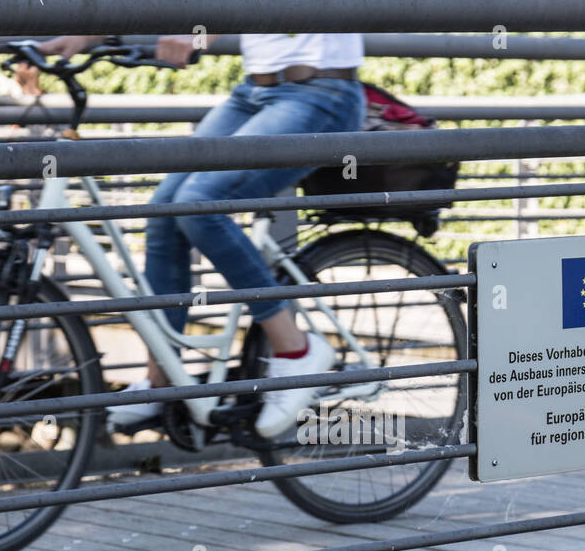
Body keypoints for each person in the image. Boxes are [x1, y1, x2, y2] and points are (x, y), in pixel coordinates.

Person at [37, 32, 366, 438]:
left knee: (201, 202)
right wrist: (88, 35)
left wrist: (197, 27)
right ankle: (163, 383)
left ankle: (296, 347)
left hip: (321, 93)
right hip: (255, 92)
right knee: (163, 211)